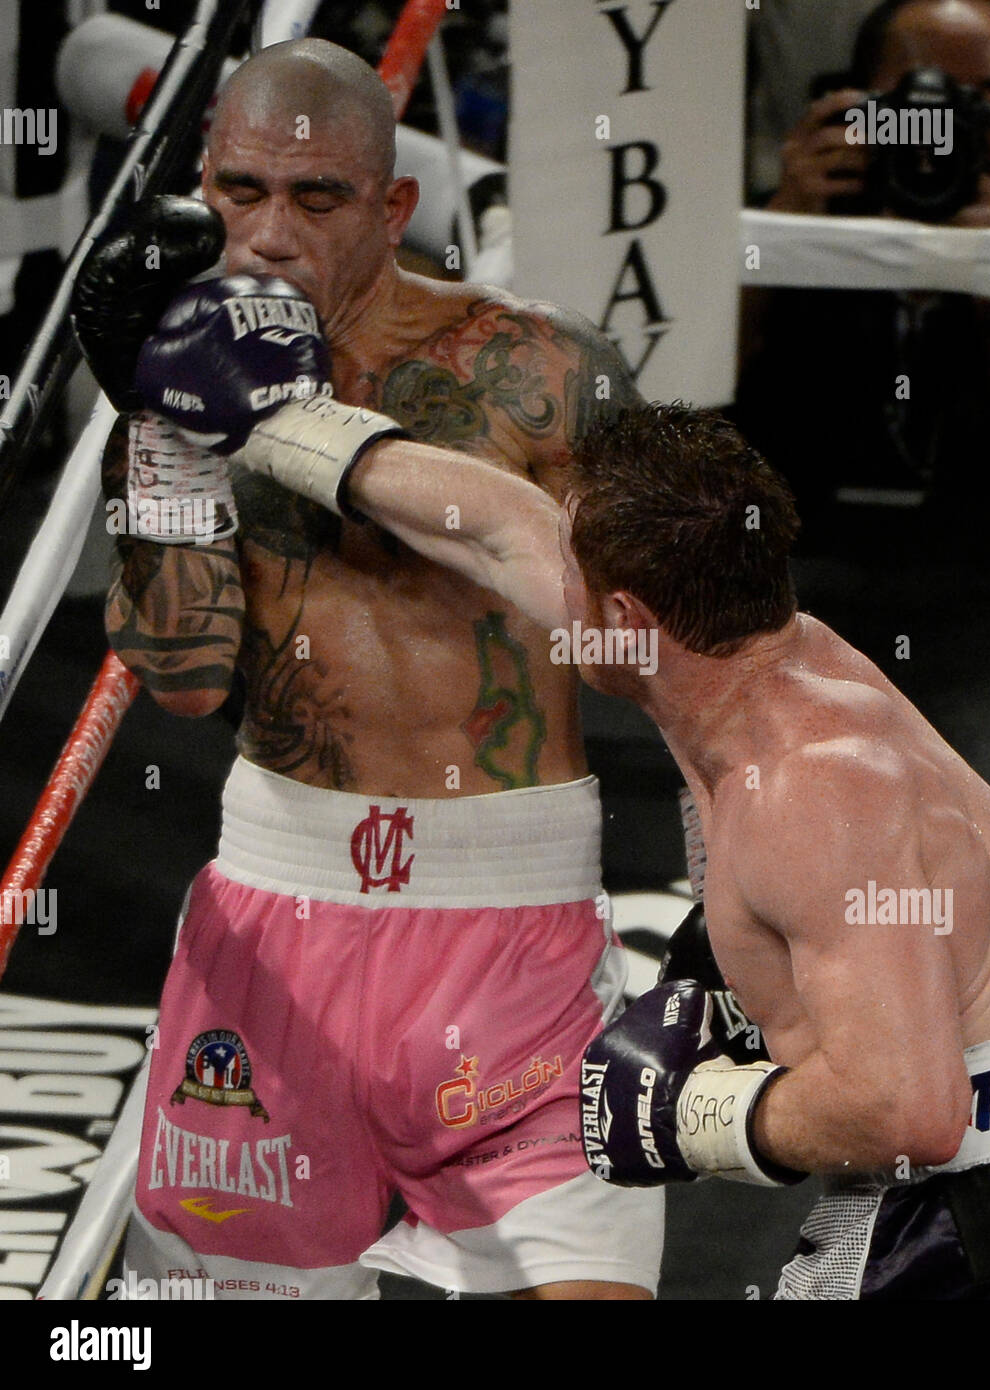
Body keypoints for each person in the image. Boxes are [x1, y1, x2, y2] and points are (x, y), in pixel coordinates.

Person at [131, 282, 990, 1298]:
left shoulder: (804, 789)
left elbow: (904, 1107)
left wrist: (689, 1111)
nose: (545, 593)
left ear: (626, 623)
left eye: (577, 581)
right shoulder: (778, 653)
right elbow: (501, 525)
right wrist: (269, 422)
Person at [71, 37, 661, 1301]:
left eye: (318, 198)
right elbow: (180, 675)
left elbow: (658, 648)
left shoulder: (545, 372)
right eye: (241, 191)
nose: (271, 233)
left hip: (513, 930)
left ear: (393, 207)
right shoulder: (176, 365)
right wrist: (165, 443)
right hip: (274, 914)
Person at [737, 0, 990, 512]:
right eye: (925, 109)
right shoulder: (776, 220)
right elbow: (673, 424)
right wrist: (781, 240)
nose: (949, 134)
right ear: (862, 106)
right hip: (785, 567)